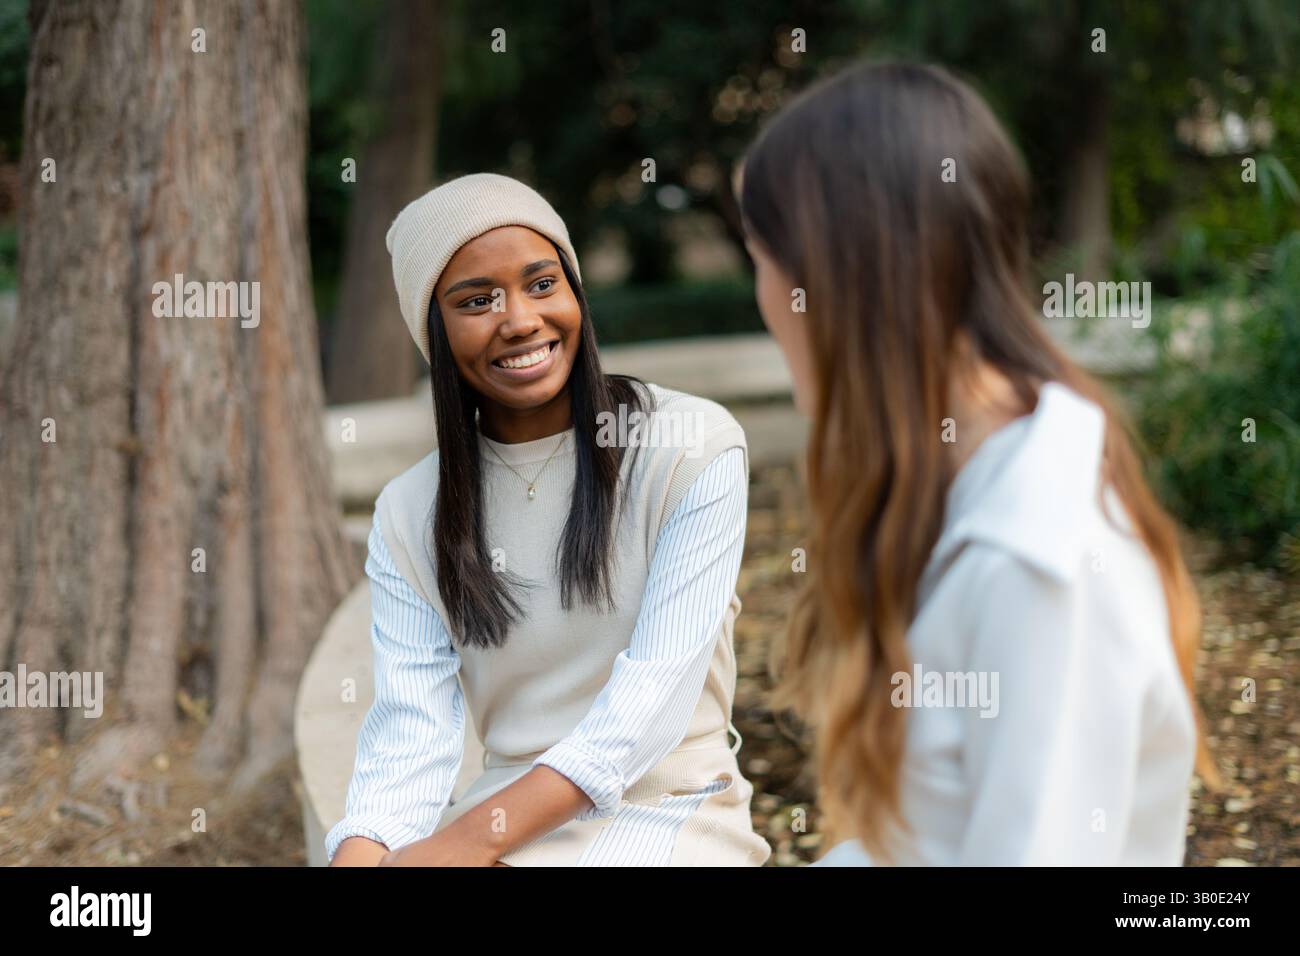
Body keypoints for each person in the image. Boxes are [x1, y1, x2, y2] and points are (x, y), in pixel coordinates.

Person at [737, 62, 1215, 865]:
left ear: (836, 278)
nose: (759, 291)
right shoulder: (980, 492)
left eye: (760, 256)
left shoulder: (1038, 564)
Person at [327, 173, 770, 866]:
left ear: (574, 293)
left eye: (541, 284)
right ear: (433, 329)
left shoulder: (689, 446)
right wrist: (360, 852)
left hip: (669, 807)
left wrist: (466, 844)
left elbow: (647, 708)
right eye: (478, 300)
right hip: (500, 822)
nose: (521, 320)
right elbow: (411, 736)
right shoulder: (410, 513)